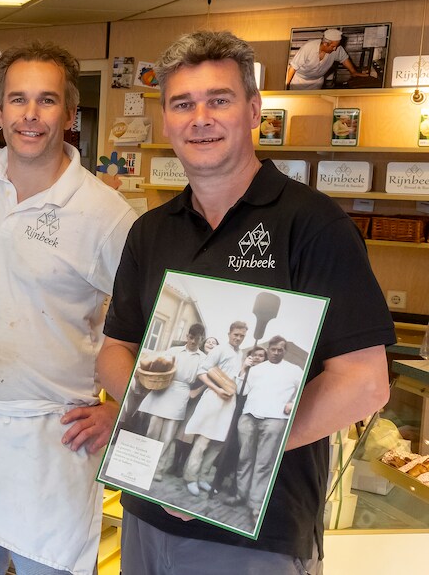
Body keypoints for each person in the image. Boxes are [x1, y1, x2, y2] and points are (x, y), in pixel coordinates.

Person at [97, 30, 393, 574]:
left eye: (219, 100)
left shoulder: (313, 225)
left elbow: (364, 382)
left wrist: (229, 451)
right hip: (146, 509)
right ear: (166, 120)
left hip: (257, 539)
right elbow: (115, 350)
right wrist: (161, 402)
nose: (199, 118)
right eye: (183, 104)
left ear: (254, 110)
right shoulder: (150, 231)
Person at [0, 41, 137, 575]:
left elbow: (160, 322)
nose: (30, 115)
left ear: (70, 113)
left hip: (57, 439)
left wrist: (125, 410)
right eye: (17, 100)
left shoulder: (105, 214)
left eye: (46, 101)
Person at [229, 336, 304, 518]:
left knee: (264, 463)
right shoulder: (256, 369)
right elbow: (241, 391)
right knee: (244, 458)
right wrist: (244, 368)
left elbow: (304, 389)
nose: (276, 352)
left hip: (275, 419)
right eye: (273, 349)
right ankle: (241, 494)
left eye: (280, 350)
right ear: (268, 349)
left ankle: (256, 504)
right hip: (249, 416)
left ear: (285, 351)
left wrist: (293, 403)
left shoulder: (294, 370)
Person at [179, 322, 248, 496]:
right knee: (203, 440)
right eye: (236, 334)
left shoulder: (240, 353)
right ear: (229, 333)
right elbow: (202, 372)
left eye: (242, 336)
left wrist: (243, 370)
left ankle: (203, 477)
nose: (238, 338)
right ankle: (191, 477)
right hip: (213, 398)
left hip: (229, 401)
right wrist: (217, 389)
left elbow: (235, 379)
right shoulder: (220, 350)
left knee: (218, 442)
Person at [139, 324, 205, 483]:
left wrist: (197, 391)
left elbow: (208, 378)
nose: (194, 341)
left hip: (181, 393)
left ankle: (158, 469)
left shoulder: (203, 358)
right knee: (153, 430)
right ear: (187, 336)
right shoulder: (174, 351)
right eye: (191, 337)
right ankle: (144, 465)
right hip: (164, 389)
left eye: (198, 338)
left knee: (168, 435)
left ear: (201, 339)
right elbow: (158, 364)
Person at [285, 28, 367, 89]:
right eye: (333, 46)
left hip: (317, 82)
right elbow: (293, 67)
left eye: (337, 46)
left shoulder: (337, 48)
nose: (335, 49)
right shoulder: (308, 47)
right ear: (325, 43)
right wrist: (285, 86)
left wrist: (353, 72)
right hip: (299, 81)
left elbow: (344, 59)